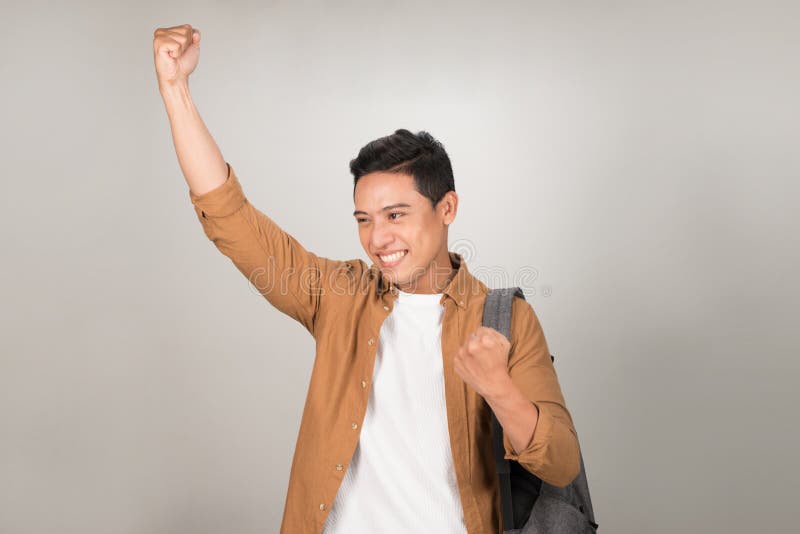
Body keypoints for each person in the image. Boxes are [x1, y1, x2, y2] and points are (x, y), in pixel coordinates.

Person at [153, 23, 581, 534]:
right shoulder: (339, 297)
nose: (378, 239)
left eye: (395, 215)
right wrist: (175, 89)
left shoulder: (505, 318)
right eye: (363, 219)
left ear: (447, 208)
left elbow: (560, 463)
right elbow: (231, 218)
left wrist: (500, 389)